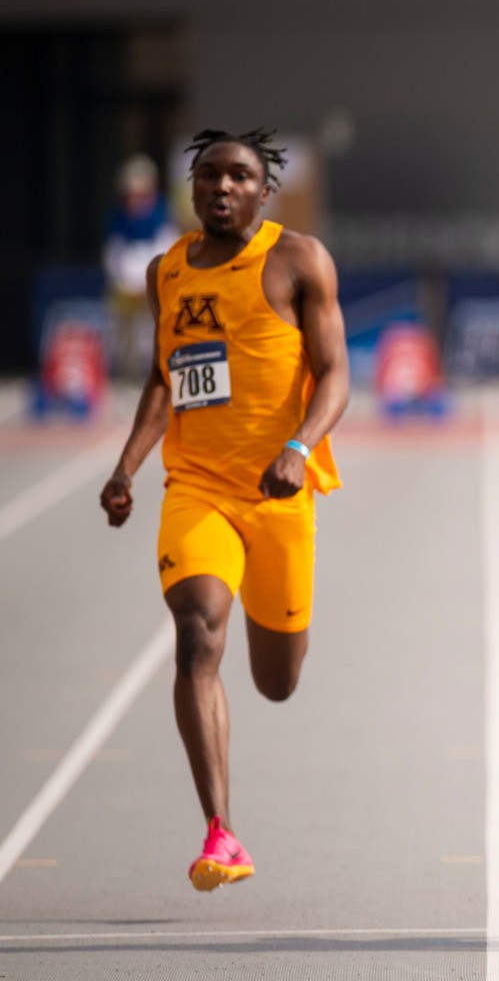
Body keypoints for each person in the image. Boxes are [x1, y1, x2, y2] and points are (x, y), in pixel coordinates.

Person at [98, 128, 348, 891]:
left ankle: (275, 649)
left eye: (239, 175)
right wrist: (127, 467)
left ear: (263, 191)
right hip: (197, 489)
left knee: (277, 681)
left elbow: (337, 374)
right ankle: (221, 830)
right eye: (209, 175)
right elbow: (162, 376)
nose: (222, 187)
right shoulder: (165, 271)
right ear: (192, 188)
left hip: (280, 494)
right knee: (196, 632)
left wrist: (299, 450)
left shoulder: (297, 259)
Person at [103, 155, 179, 378]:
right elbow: (113, 257)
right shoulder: (117, 220)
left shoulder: (163, 216)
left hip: (153, 289)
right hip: (125, 291)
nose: (135, 201)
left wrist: (148, 284)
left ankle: (152, 372)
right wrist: (127, 284)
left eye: (141, 195)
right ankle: (125, 372)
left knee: (152, 332)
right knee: (121, 333)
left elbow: (168, 252)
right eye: (130, 195)